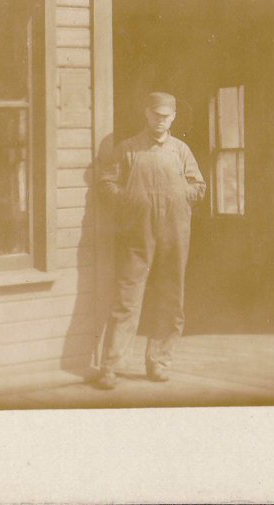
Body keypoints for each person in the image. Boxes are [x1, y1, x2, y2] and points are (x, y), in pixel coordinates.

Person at [93, 91, 206, 390]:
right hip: (137, 234)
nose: (160, 120)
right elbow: (106, 182)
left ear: (173, 118)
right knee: (127, 299)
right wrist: (129, 201)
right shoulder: (128, 149)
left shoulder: (181, 150)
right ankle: (111, 366)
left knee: (170, 298)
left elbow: (199, 185)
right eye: (156, 115)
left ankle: (159, 361)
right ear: (146, 114)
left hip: (174, 233)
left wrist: (182, 196)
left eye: (166, 116)